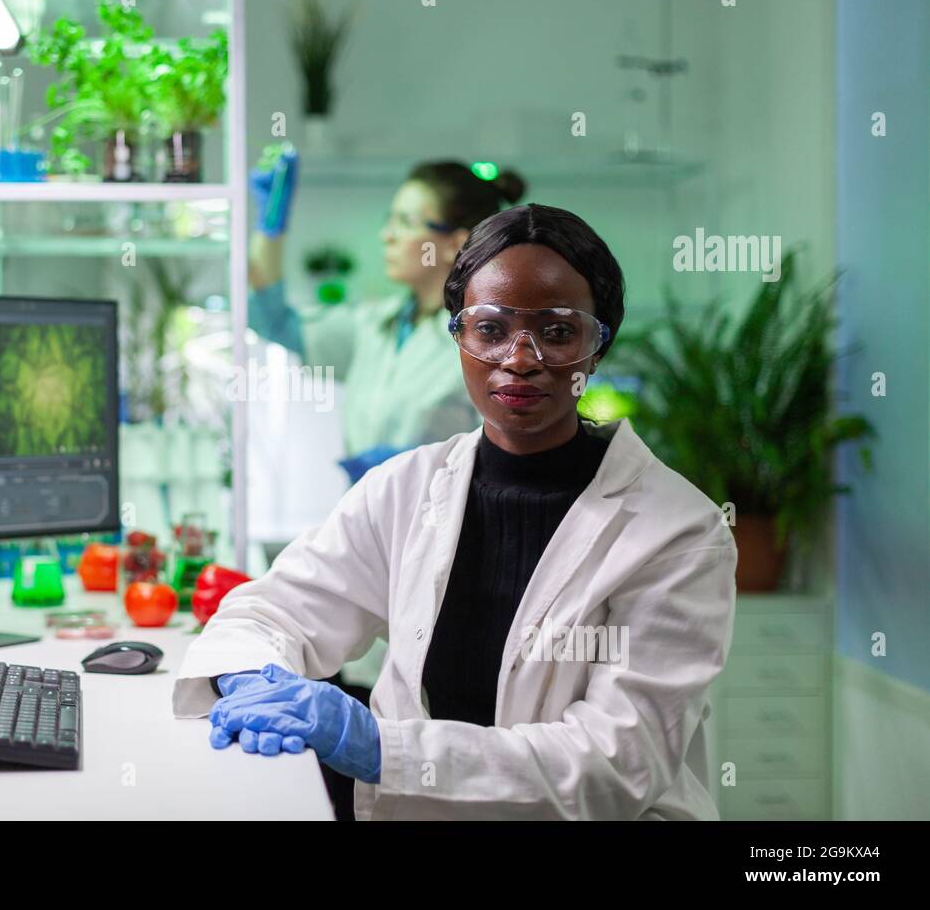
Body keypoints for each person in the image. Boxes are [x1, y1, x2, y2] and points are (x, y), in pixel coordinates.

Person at [173, 204, 738, 820]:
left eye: (556, 332)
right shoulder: (403, 489)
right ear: (458, 336)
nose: (520, 359)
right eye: (490, 329)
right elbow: (271, 610)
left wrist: (378, 746)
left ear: (596, 347)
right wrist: (253, 677)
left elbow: (616, 766)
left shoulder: (679, 531)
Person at [248, 152, 527, 473]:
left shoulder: (488, 341)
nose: (387, 235)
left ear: (455, 243)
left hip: (450, 519)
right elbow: (273, 321)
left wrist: (430, 469)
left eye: (405, 223)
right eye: (389, 221)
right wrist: (269, 225)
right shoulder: (373, 325)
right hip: (369, 515)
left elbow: (513, 458)